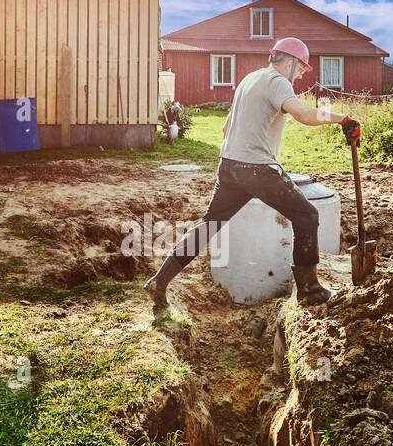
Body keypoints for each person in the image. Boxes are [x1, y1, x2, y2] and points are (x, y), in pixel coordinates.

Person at [145, 36, 360, 310]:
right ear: (292, 62)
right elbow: (304, 115)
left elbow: (225, 129)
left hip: (229, 165)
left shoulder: (249, 79)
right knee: (307, 215)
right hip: (256, 168)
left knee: (209, 223)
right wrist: (342, 118)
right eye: (302, 69)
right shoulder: (277, 82)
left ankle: (159, 281)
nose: (301, 75)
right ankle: (310, 290)